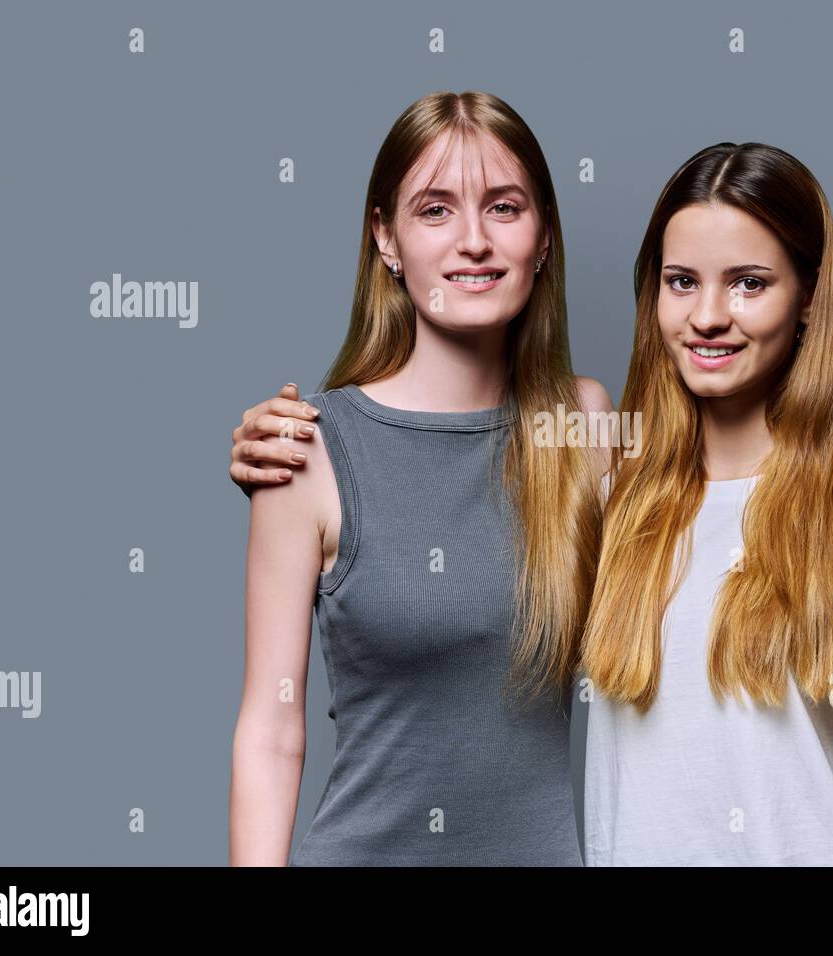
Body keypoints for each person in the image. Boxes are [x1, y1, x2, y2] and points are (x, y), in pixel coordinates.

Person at [229, 90, 610, 866]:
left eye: (503, 207)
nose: (474, 240)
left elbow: (686, 624)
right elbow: (272, 729)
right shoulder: (305, 448)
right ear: (387, 239)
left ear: (542, 239)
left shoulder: (588, 425)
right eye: (435, 210)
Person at [578, 142, 833, 865]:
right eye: (681, 282)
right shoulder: (606, 500)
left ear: (807, 297)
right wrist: (314, 427)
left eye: (748, 283)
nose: (707, 315)